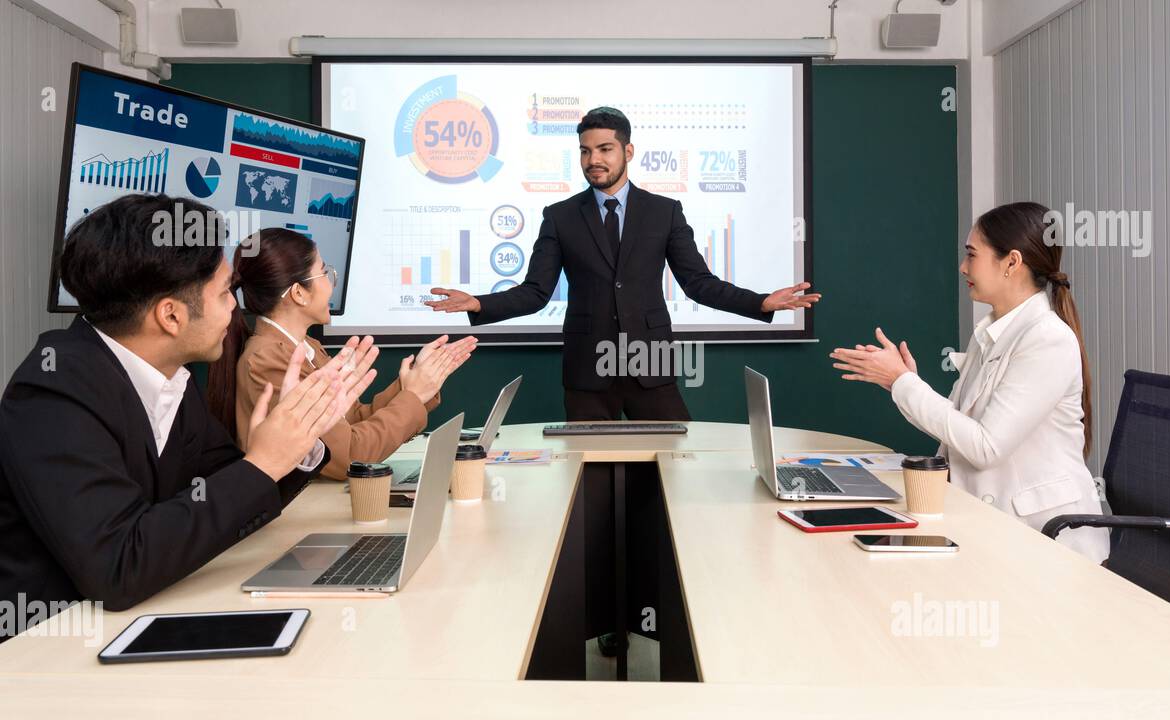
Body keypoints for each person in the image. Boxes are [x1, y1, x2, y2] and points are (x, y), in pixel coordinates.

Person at [0, 195, 378, 638]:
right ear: (171, 315)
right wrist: (262, 462)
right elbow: (117, 567)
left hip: (131, 623)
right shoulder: (54, 390)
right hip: (45, 655)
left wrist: (297, 439)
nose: (235, 307)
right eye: (223, 293)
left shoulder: (170, 377)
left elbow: (227, 489)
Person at [427, 106, 819, 421]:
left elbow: (698, 283)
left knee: (671, 467)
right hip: (586, 370)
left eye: (604, 149)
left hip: (651, 364)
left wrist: (762, 302)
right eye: (585, 151)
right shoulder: (560, 216)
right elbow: (536, 292)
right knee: (589, 478)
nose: (593, 160)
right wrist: (479, 303)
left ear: (627, 152)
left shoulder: (664, 212)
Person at [829, 201, 1110, 563]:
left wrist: (903, 383)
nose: (963, 268)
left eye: (972, 255)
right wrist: (902, 382)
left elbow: (985, 447)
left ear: (1011, 262)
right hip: (993, 525)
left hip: (1044, 544)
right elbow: (959, 429)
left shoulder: (1047, 340)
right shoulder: (995, 331)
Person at [206, 228, 476, 481]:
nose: (331, 284)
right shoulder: (267, 361)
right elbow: (349, 455)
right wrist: (413, 397)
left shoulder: (306, 347)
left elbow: (351, 421)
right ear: (299, 293)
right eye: (324, 273)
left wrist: (415, 384)